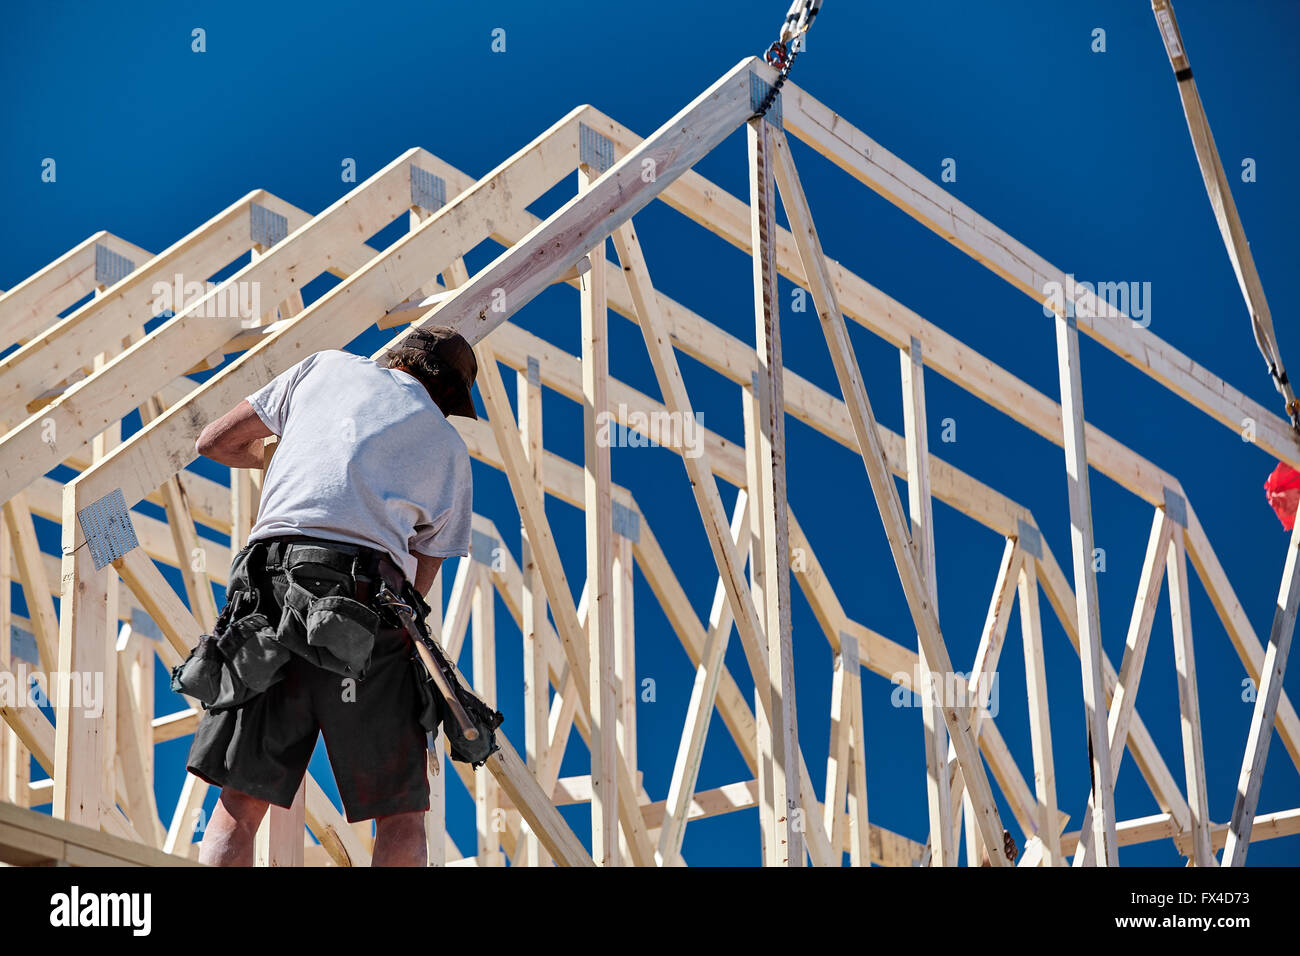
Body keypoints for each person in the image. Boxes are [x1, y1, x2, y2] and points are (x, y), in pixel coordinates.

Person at [181, 327, 478, 866]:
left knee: (239, 801)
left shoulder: (323, 367)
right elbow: (420, 583)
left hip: (267, 591)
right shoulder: (451, 449)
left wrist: (282, 456)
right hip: (367, 601)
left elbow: (212, 443)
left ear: (396, 358)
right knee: (402, 815)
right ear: (450, 397)